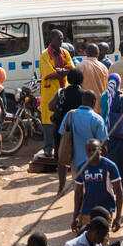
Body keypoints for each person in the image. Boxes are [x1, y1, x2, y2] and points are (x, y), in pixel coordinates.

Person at [72, 139, 123, 232]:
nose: (91, 152)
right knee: (88, 242)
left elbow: (119, 191)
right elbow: (78, 193)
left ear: (100, 150)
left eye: (94, 149)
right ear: (85, 151)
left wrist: (118, 216)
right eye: (88, 150)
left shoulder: (110, 166)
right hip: (87, 211)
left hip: (105, 211)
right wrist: (75, 216)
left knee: (102, 241)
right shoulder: (81, 167)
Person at [39, 29, 75, 157]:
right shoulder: (45, 55)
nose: (61, 41)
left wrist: (60, 70)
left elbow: (72, 70)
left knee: (63, 121)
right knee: (49, 122)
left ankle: (62, 148)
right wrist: (63, 71)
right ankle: (48, 148)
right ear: (51, 39)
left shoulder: (65, 53)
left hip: (63, 91)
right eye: (59, 39)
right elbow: (50, 74)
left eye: (62, 38)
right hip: (50, 93)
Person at [58, 90, 108, 184]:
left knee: (78, 192)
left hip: (74, 163)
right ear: (93, 102)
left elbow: (62, 135)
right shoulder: (97, 119)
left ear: (82, 101)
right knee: (91, 193)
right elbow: (103, 144)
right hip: (93, 164)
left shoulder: (70, 115)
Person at [101, 73, 123, 194]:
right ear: (119, 83)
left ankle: (113, 191)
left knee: (112, 164)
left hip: (108, 137)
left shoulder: (104, 97)